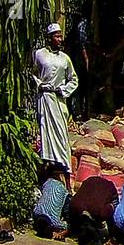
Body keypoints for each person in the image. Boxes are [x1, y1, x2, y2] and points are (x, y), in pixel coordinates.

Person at [33, 23, 79, 191]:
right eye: (57, 36)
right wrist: (40, 85)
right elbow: (31, 73)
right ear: (49, 38)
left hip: (59, 103)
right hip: (44, 100)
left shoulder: (65, 59)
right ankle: (47, 168)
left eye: (61, 36)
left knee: (61, 136)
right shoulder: (39, 54)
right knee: (45, 132)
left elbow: (73, 79)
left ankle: (64, 170)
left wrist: (63, 90)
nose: (60, 39)